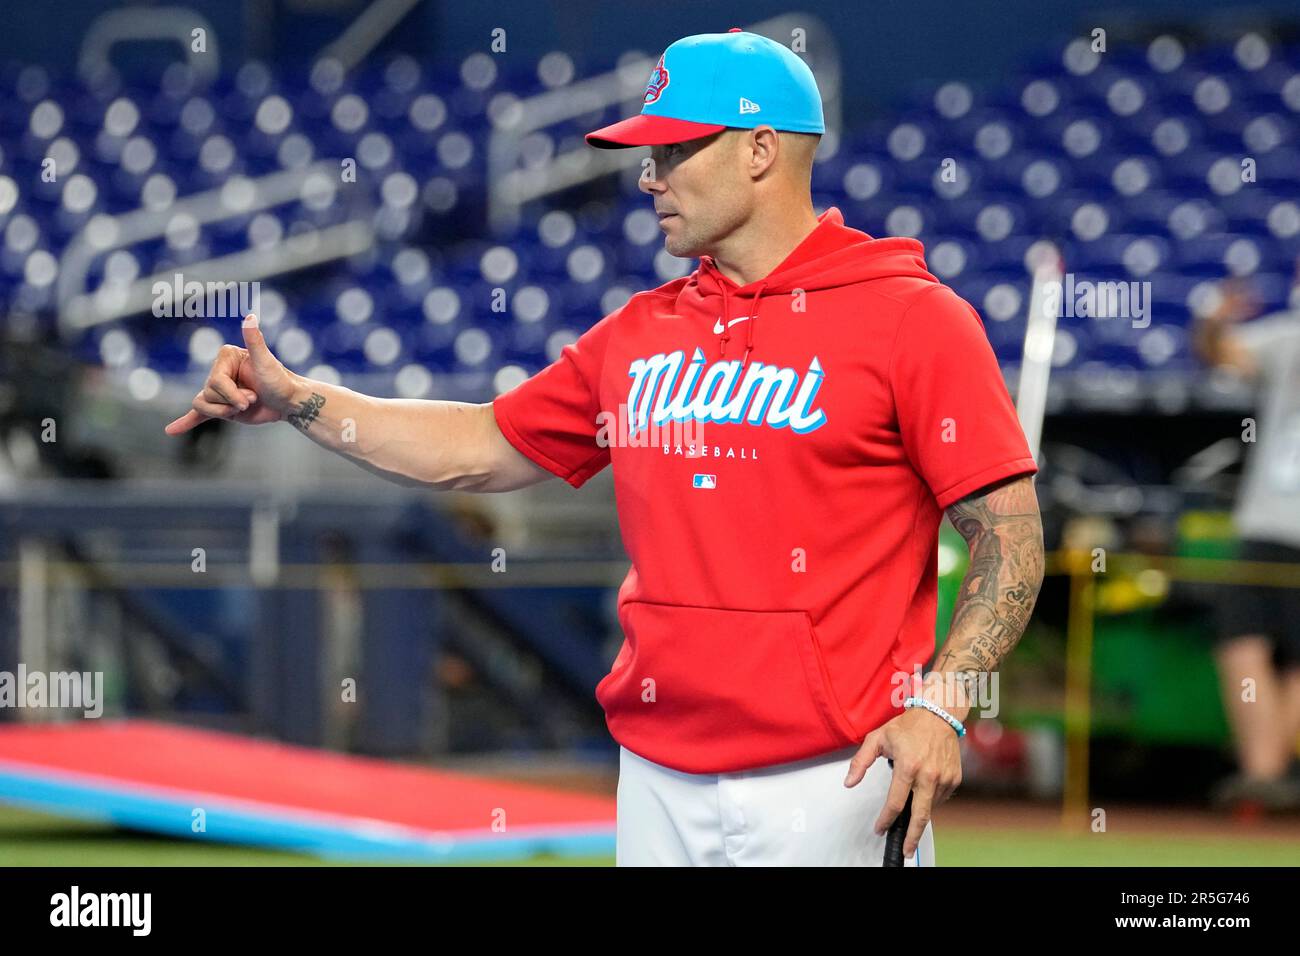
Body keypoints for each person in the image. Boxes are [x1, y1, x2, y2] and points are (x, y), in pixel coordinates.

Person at [167, 29, 1045, 865]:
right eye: (647, 156)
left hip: (840, 780)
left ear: (760, 149)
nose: (649, 178)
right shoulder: (640, 332)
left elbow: (1012, 539)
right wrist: (301, 401)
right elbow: (479, 443)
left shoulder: (914, 320)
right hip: (656, 775)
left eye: (673, 152)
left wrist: (943, 697)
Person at [1193, 266, 1300, 811]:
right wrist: (1213, 319)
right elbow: (1220, 353)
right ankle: (1266, 777)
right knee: (1241, 642)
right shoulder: (1288, 339)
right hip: (1267, 526)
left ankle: (1273, 778)